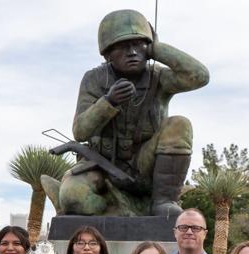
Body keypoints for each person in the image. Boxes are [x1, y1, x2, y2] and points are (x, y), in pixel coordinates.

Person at [52, 10, 208, 217]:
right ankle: (114, 205)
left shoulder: (159, 77)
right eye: (123, 46)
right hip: (102, 165)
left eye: (139, 44)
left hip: (145, 164)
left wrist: (158, 49)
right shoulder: (94, 79)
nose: (132, 52)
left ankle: (163, 201)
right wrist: (108, 102)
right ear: (108, 53)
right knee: (73, 198)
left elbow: (199, 77)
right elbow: (80, 132)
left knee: (180, 124)